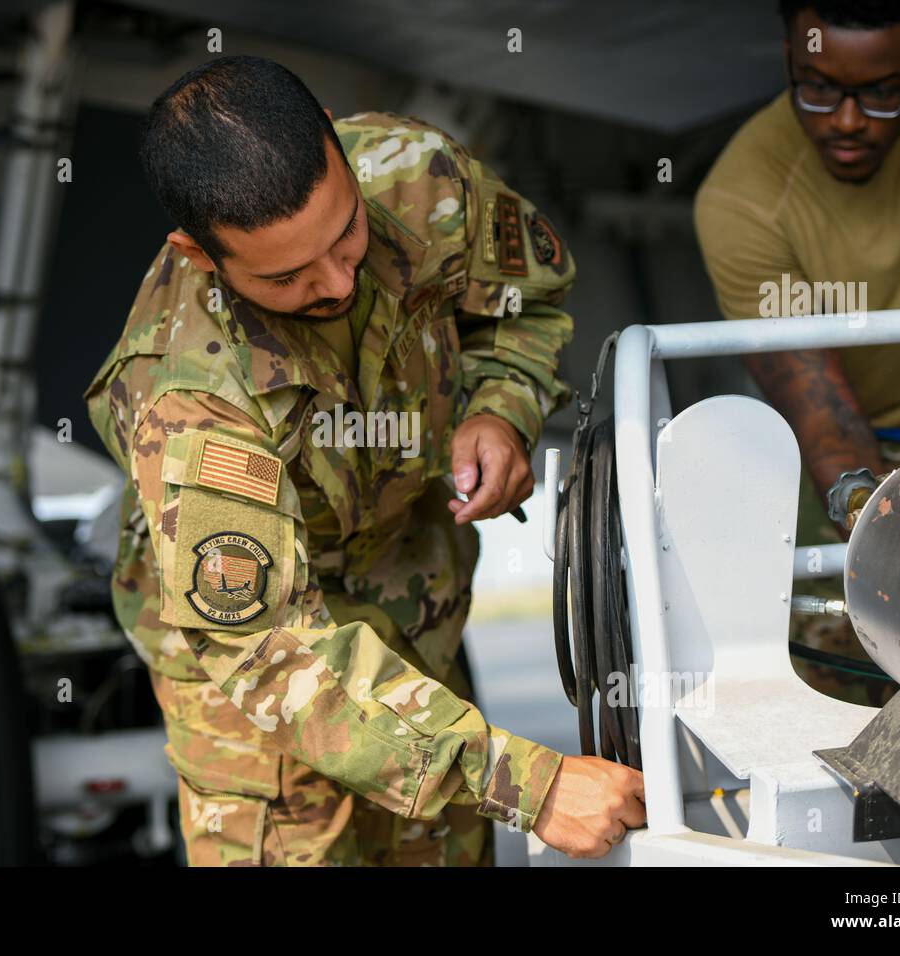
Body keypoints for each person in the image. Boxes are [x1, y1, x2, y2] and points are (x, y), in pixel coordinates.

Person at [84, 55, 645, 865]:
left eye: (346, 232)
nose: (339, 278)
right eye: (289, 276)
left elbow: (528, 302)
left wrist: (502, 411)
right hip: (265, 716)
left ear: (343, 156)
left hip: (418, 626)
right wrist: (531, 783)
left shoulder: (417, 179)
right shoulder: (187, 393)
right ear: (201, 256)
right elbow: (270, 649)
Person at [694, 1, 900, 705]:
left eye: (880, 93)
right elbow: (828, 428)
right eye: (817, 86)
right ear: (787, 59)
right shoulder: (742, 201)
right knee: (836, 661)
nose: (846, 119)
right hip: (876, 462)